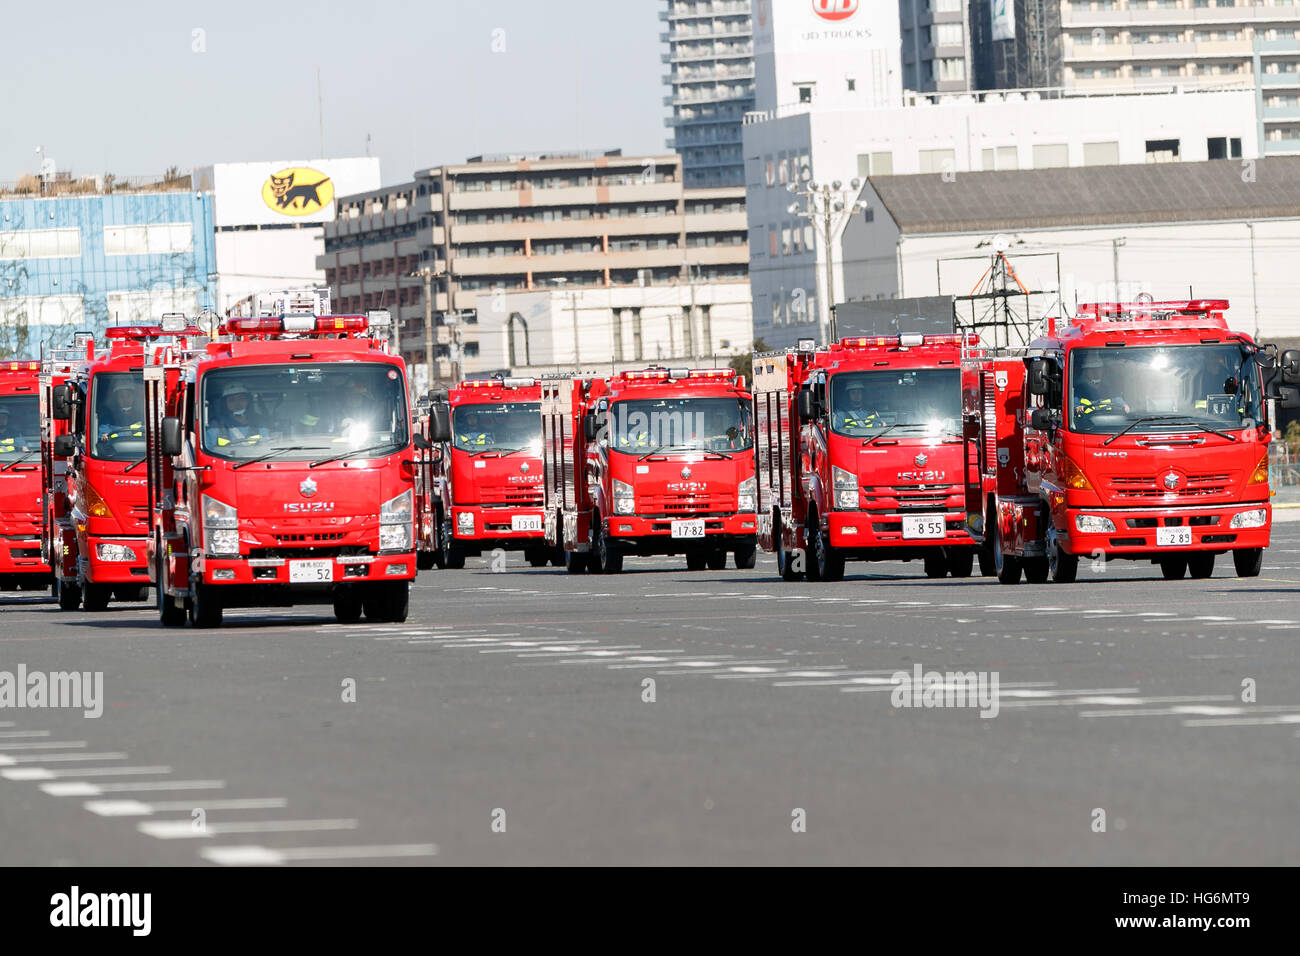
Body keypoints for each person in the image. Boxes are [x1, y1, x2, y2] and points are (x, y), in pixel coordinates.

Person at [1073, 352, 1130, 418]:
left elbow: (1122, 405)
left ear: (1103, 370)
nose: (1095, 372)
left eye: (1098, 369)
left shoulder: (1111, 390)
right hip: (1086, 426)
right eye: (1091, 369)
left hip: (1108, 424)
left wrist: (1125, 407)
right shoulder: (1078, 391)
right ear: (1085, 372)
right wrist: (1077, 408)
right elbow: (1072, 407)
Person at [211, 382, 265, 448]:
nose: (237, 403)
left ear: (248, 401)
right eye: (231, 400)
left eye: (241, 398)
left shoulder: (259, 421)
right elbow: (209, 448)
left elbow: (267, 445)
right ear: (225, 404)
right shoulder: (216, 424)